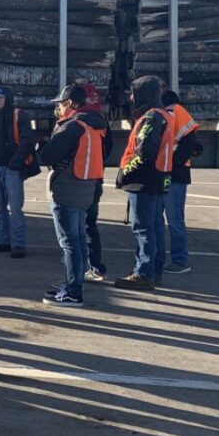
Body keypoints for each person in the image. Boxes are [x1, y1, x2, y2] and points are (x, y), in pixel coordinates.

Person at [39, 84, 106, 307]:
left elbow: (48, 155)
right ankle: (72, 283)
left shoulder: (72, 127)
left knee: (70, 244)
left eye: (60, 104)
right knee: (77, 241)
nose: (58, 108)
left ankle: (73, 290)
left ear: (69, 103)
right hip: (86, 189)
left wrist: (42, 146)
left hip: (67, 189)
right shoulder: (95, 125)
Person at [114, 76, 174, 290]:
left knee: (143, 228)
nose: (131, 98)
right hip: (157, 178)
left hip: (143, 181)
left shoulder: (151, 118)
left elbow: (145, 151)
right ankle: (153, 271)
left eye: (134, 93)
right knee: (155, 226)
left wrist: (125, 173)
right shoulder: (163, 115)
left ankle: (144, 273)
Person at [0, 85, 36, 259]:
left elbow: (27, 141)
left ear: (8, 99)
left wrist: (14, 164)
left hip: (11, 169)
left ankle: (18, 244)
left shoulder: (19, 115)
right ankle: (2, 241)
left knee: (15, 208)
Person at [75, 80, 114, 284]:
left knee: (76, 227)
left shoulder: (78, 122)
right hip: (96, 177)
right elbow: (108, 148)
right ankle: (96, 266)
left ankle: (78, 269)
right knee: (90, 225)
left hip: (79, 178)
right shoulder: (102, 121)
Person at [160, 90, 202, 275]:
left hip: (173, 173)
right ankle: (170, 259)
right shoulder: (174, 111)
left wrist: (173, 163)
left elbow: (188, 141)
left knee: (174, 219)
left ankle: (180, 260)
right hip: (170, 171)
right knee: (167, 219)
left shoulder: (175, 111)